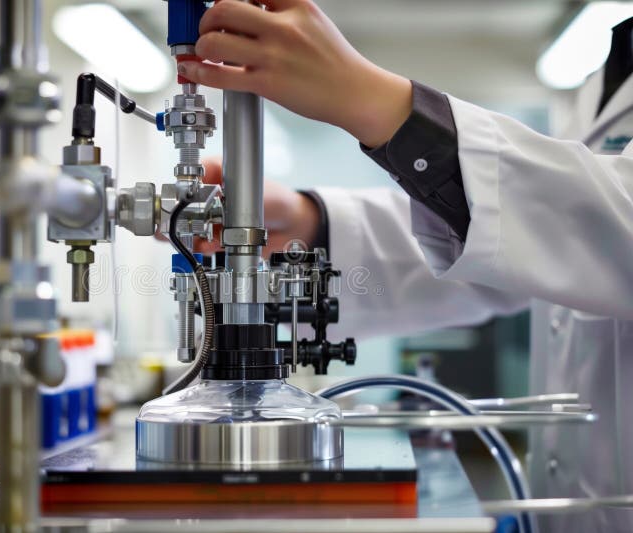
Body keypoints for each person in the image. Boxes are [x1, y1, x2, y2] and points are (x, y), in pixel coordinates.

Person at [179, 1, 633, 532]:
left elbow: (597, 229)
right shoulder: (605, 71)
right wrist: (309, 224)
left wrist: (381, 105)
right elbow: (530, 246)